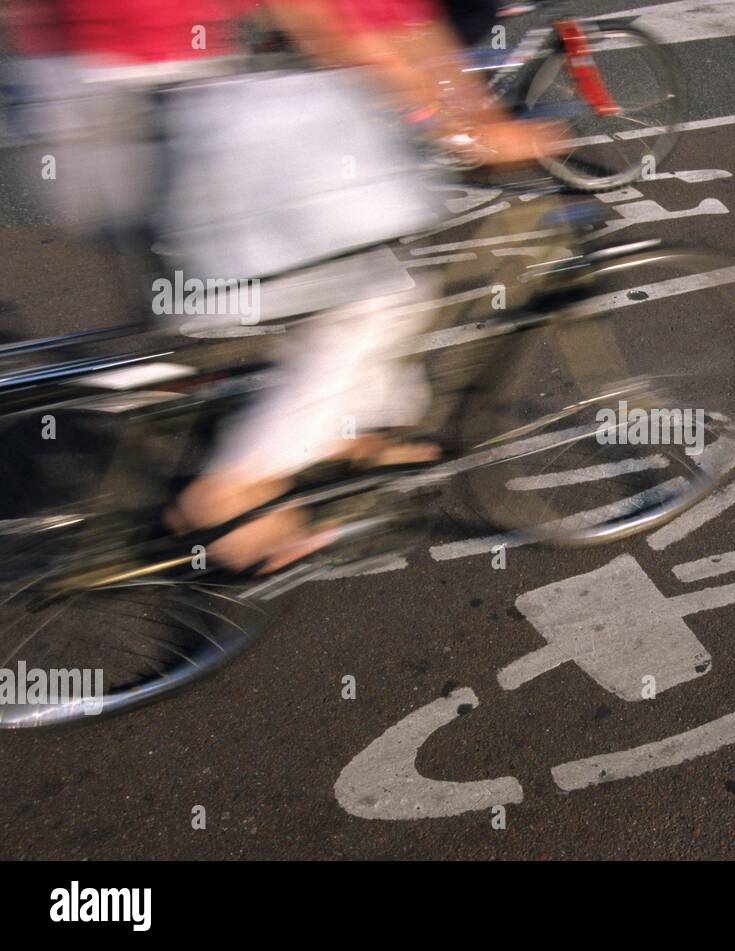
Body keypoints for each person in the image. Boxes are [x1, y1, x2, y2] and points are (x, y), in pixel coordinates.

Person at [5, 0, 557, 572]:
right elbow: (338, 17)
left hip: (72, 101)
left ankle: (348, 429)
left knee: (295, 285)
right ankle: (233, 491)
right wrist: (468, 123)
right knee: (379, 296)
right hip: (154, 106)